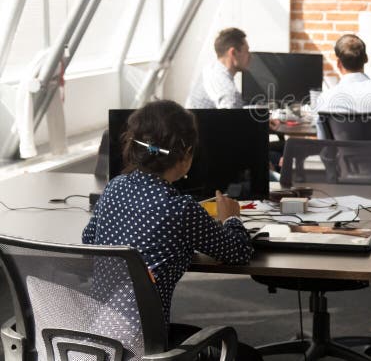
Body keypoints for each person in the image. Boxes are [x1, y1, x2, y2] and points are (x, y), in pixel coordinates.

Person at [82, 100, 256, 353]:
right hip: (146, 344)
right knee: (249, 356)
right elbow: (239, 253)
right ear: (186, 156)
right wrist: (231, 218)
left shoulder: (114, 187)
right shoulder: (180, 208)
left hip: (99, 335)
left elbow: (89, 240)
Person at [186, 27, 251, 109]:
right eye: (246, 51)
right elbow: (234, 120)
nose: (250, 56)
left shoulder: (209, 70)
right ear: (233, 52)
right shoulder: (229, 94)